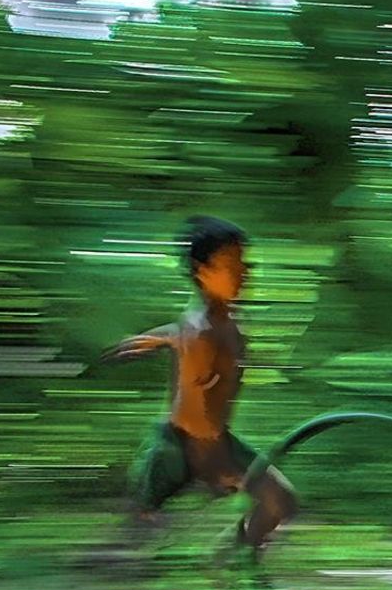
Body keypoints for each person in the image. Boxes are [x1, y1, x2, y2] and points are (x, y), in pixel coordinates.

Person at [101, 215, 294, 553]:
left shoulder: (217, 322)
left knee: (279, 500)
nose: (244, 272)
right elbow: (193, 415)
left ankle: (229, 562)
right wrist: (216, 468)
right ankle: (102, 573)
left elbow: (183, 335)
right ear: (202, 271)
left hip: (211, 438)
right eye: (231, 264)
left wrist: (160, 339)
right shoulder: (203, 331)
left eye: (244, 262)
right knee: (138, 538)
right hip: (183, 446)